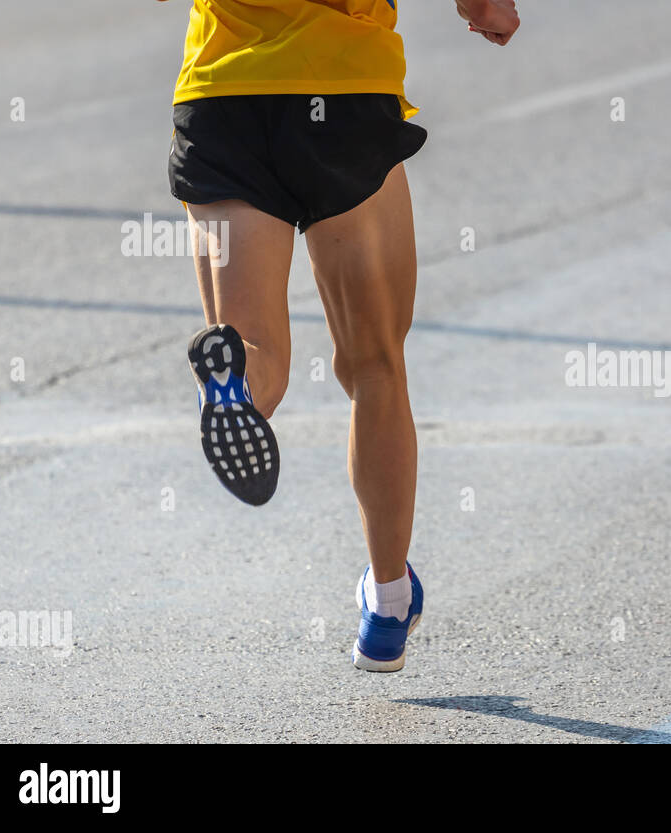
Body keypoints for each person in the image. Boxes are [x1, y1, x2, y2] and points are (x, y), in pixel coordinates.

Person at [162, 0, 520, 671]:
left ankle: (234, 380)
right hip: (344, 87)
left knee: (255, 350)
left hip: (223, 97)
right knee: (374, 363)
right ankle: (388, 602)